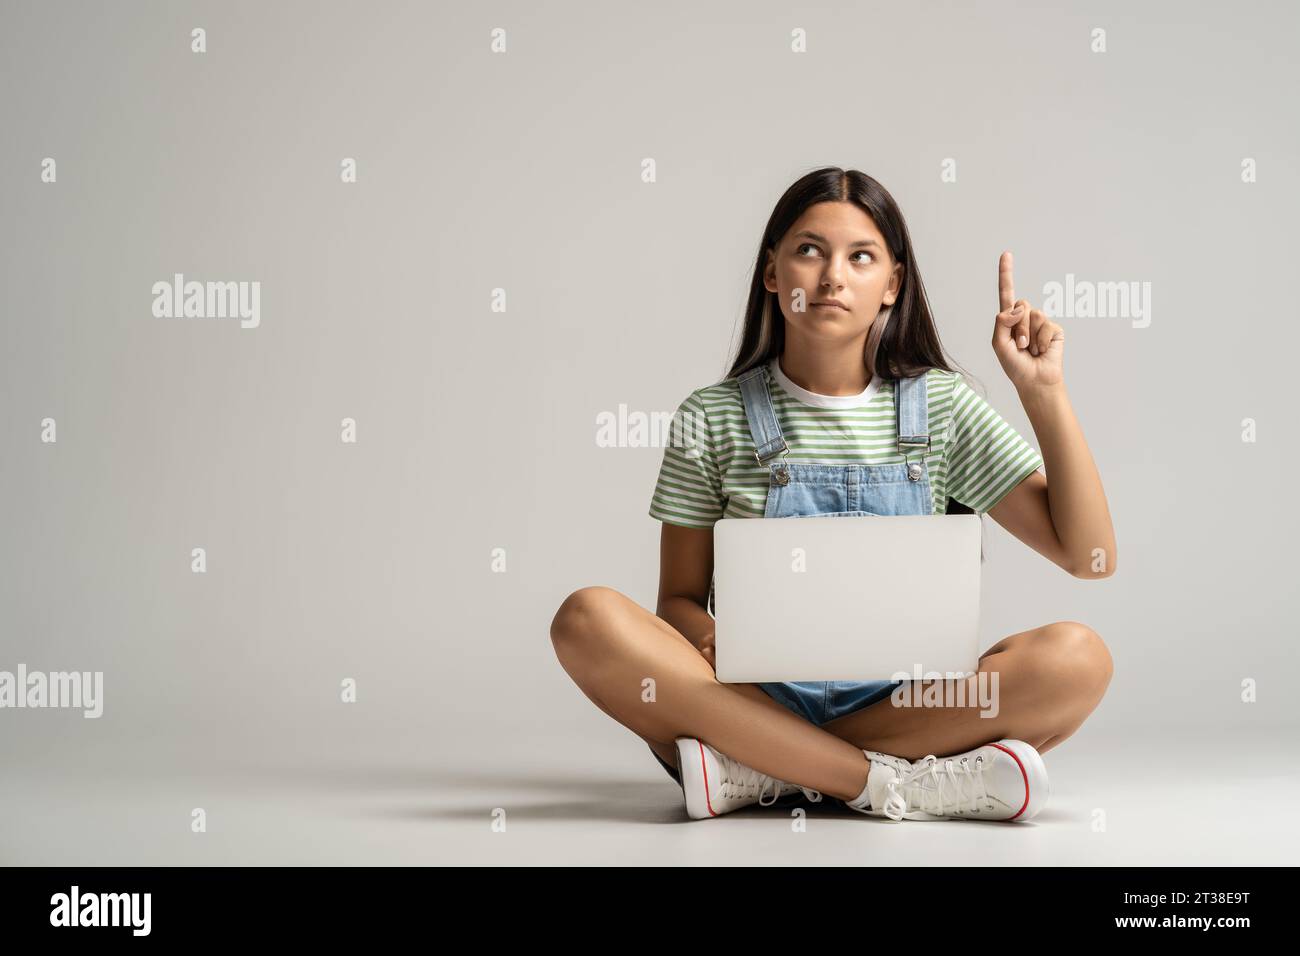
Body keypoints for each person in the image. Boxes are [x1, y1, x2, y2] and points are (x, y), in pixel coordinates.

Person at [550, 167, 1116, 822]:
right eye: (809, 250)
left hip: (908, 709)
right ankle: (889, 784)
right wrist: (705, 635)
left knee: (1078, 660)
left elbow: (1089, 554)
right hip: (748, 697)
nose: (831, 277)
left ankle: (761, 769)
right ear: (772, 273)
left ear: (891, 285)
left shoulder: (943, 410)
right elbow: (675, 602)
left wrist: (1042, 392)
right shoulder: (710, 417)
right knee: (586, 619)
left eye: (861, 256)